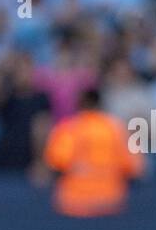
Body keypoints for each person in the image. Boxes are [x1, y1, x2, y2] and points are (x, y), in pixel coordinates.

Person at [42, 88, 145, 217]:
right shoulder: (117, 129)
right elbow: (134, 168)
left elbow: (56, 163)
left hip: (74, 202)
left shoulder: (68, 128)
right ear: (101, 104)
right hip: (110, 201)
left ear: (79, 104)